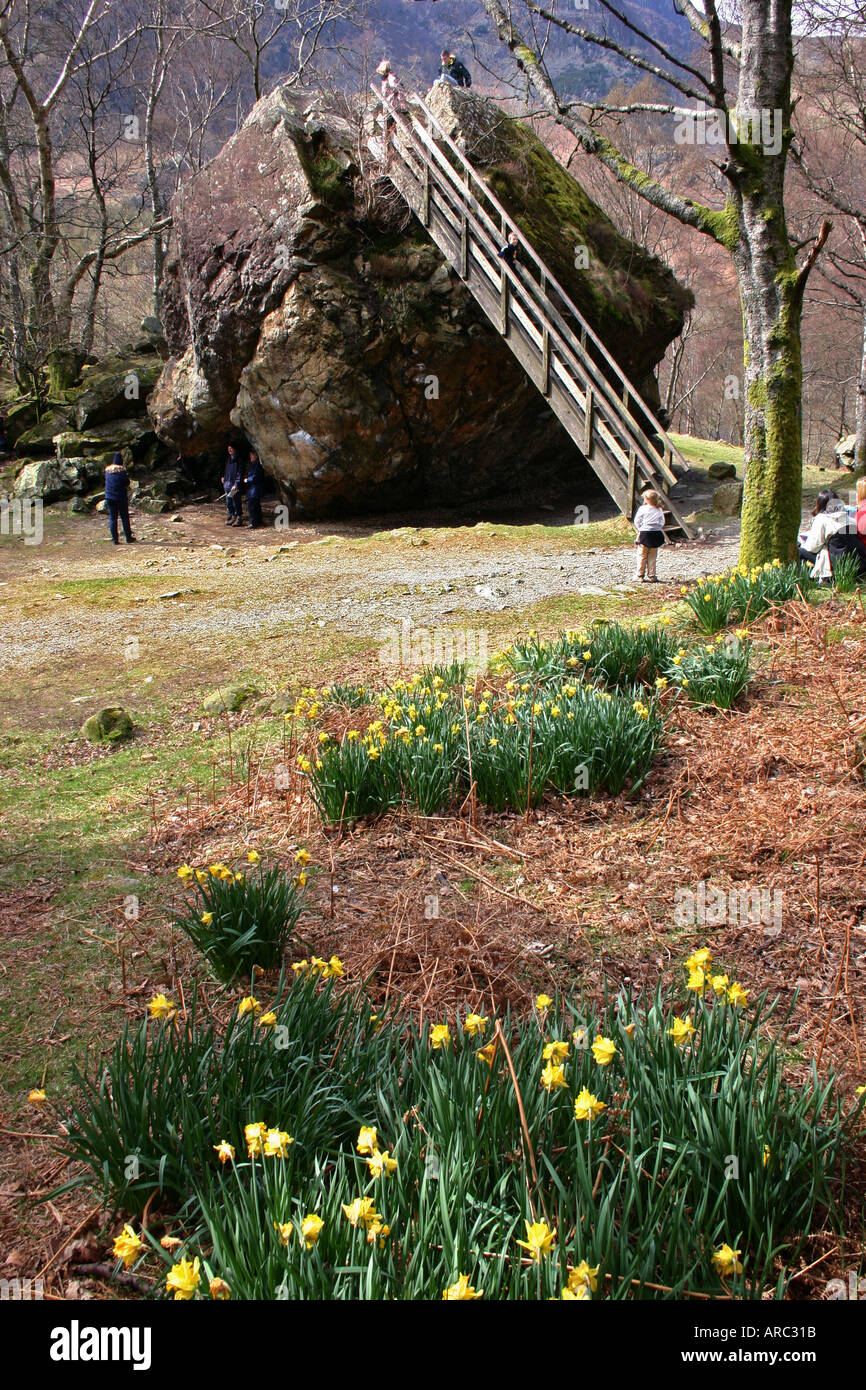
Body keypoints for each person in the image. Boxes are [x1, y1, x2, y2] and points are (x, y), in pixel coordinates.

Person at [797, 489, 847, 581]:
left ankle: (805, 578)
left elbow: (812, 547)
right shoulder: (847, 517)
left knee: (799, 551)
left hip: (832, 565)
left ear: (820, 504)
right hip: (849, 562)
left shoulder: (822, 519)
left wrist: (803, 543)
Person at [632, 488, 666, 582]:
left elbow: (637, 521)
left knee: (642, 555)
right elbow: (662, 522)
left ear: (646, 499)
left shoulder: (643, 509)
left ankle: (640, 575)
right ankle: (652, 575)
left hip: (645, 533)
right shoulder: (659, 509)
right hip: (656, 534)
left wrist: (641, 528)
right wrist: (657, 526)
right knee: (652, 556)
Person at [104, 452, 135, 545]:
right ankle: (128, 537)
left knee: (113, 518)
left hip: (109, 497)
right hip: (120, 498)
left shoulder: (107, 472)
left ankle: (115, 539)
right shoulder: (122, 472)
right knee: (124, 517)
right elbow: (127, 483)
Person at [222, 443, 244, 526]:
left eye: (231, 448)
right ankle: (233, 516)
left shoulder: (239, 460)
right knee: (229, 502)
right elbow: (227, 471)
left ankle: (239, 518)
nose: (229, 450)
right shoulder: (228, 459)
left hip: (234, 485)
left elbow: (240, 473)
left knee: (236, 502)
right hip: (228, 484)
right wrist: (224, 478)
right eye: (228, 448)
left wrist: (236, 484)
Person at [245, 448, 265, 529]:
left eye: (251, 455)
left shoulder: (257, 465)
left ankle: (253, 523)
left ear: (255, 456)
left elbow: (255, 477)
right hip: (253, 489)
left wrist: (247, 480)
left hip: (254, 489)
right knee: (256, 505)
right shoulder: (254, 464)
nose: (250, 457)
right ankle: (259, 521)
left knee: (252, 506)